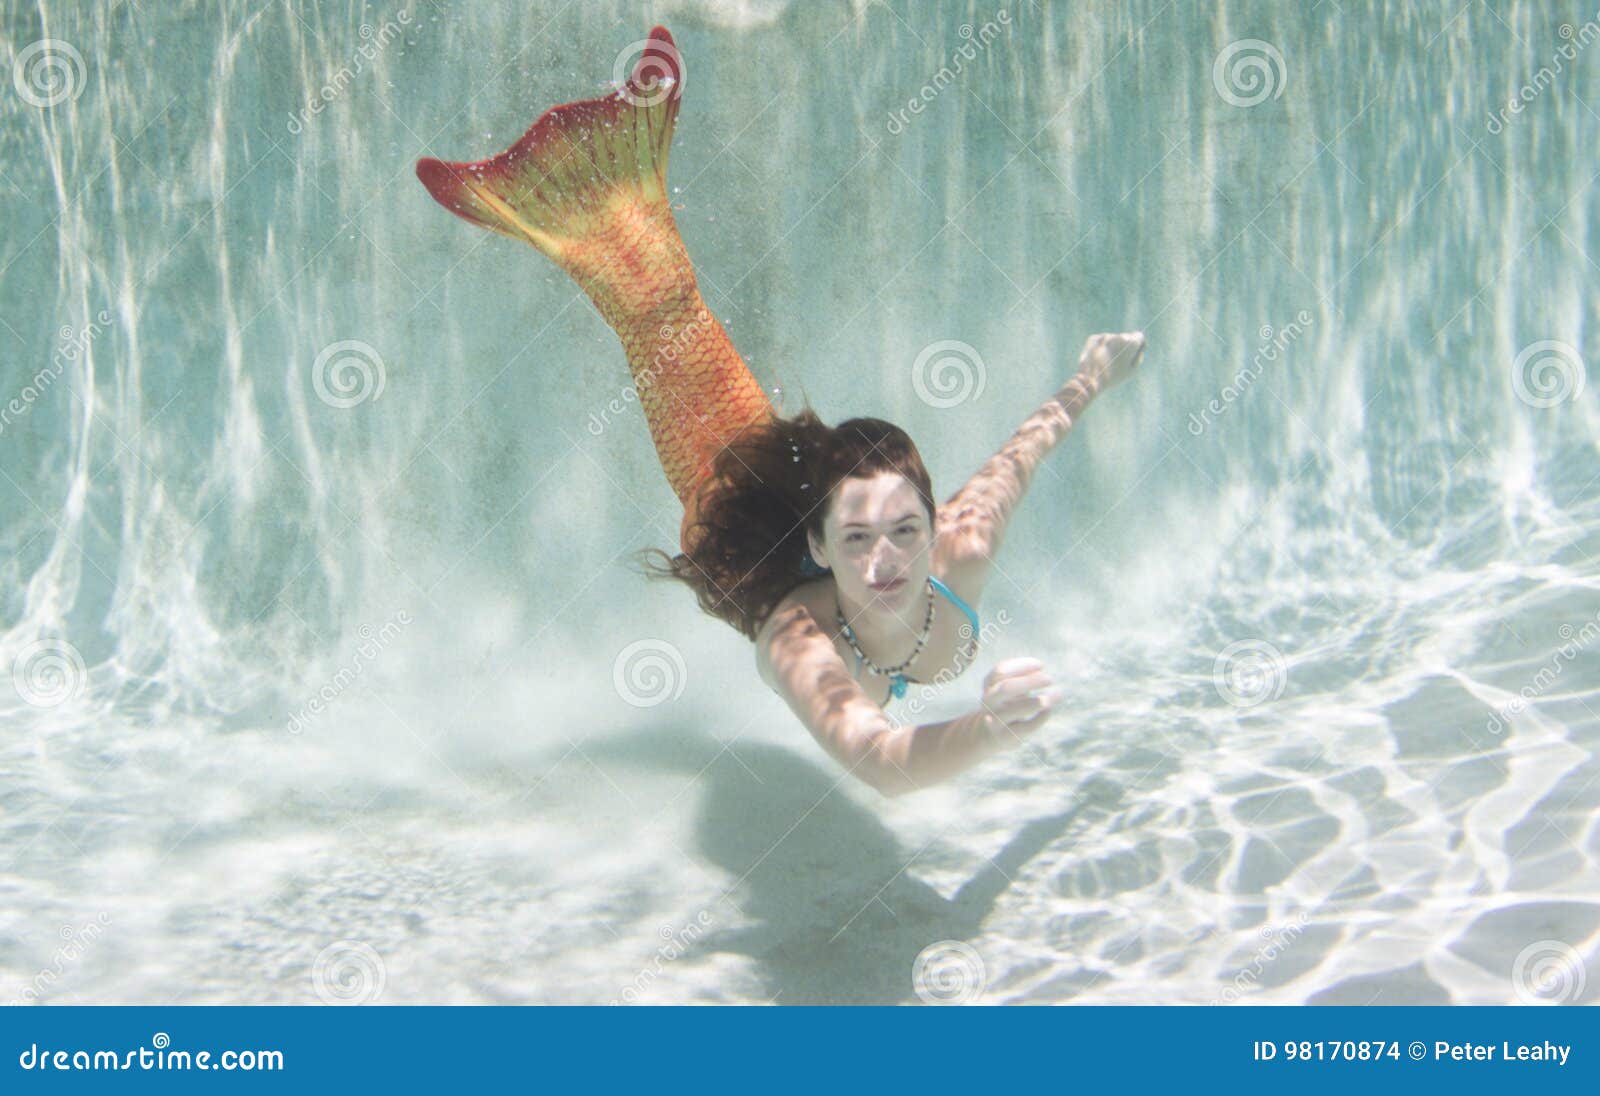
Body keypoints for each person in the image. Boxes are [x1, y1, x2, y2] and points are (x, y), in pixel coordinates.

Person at [416, 26, 1146, 797]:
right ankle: (606, 196)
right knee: (688, 362)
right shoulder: (800, 636)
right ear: (825, 546)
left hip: (736, 559)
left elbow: (1017, 459)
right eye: (858, 538)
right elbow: (881, 763)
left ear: (935, 527)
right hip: (754, 526)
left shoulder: (958, 553)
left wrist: (1091, 377)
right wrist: (989, 729)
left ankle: (594, 196)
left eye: (906, 531)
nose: (887, 561)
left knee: (713, 455)